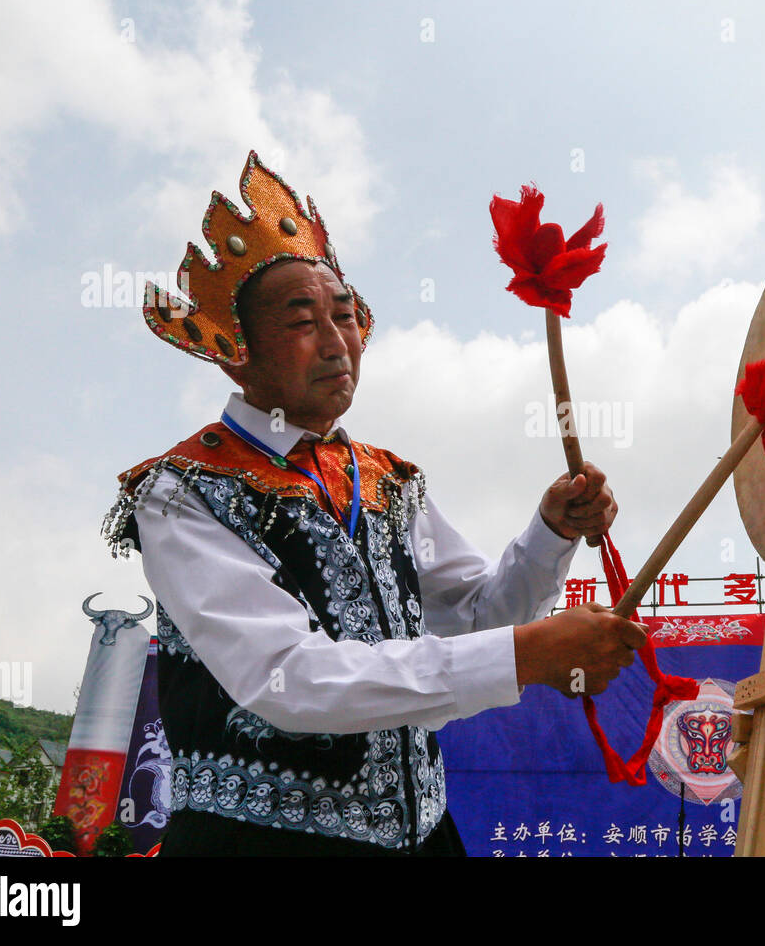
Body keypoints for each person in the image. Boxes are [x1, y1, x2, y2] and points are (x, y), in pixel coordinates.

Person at [103, 151, 645, 856]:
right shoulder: (183, 491)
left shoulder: (386, 479)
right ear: (237, 350)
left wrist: (549, 534)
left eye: (345, 315)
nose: (338, 343)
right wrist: (525, 656)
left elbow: (477, 616)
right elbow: (287, 677)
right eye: (303, 321)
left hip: (425, 839)